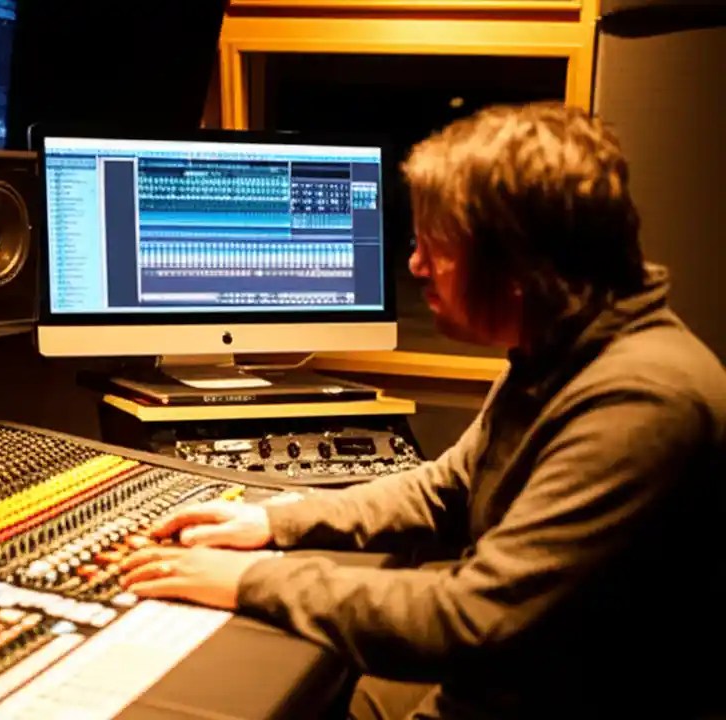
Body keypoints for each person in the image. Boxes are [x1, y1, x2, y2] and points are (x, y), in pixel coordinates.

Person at [118, 102, 726, 719]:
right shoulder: (557, 349)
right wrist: (277, 522)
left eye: (435, 247)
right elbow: (446, 486)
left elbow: (475, 617)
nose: (414, 266)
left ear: (516, 264)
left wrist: (249, 584)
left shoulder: (643, 403)